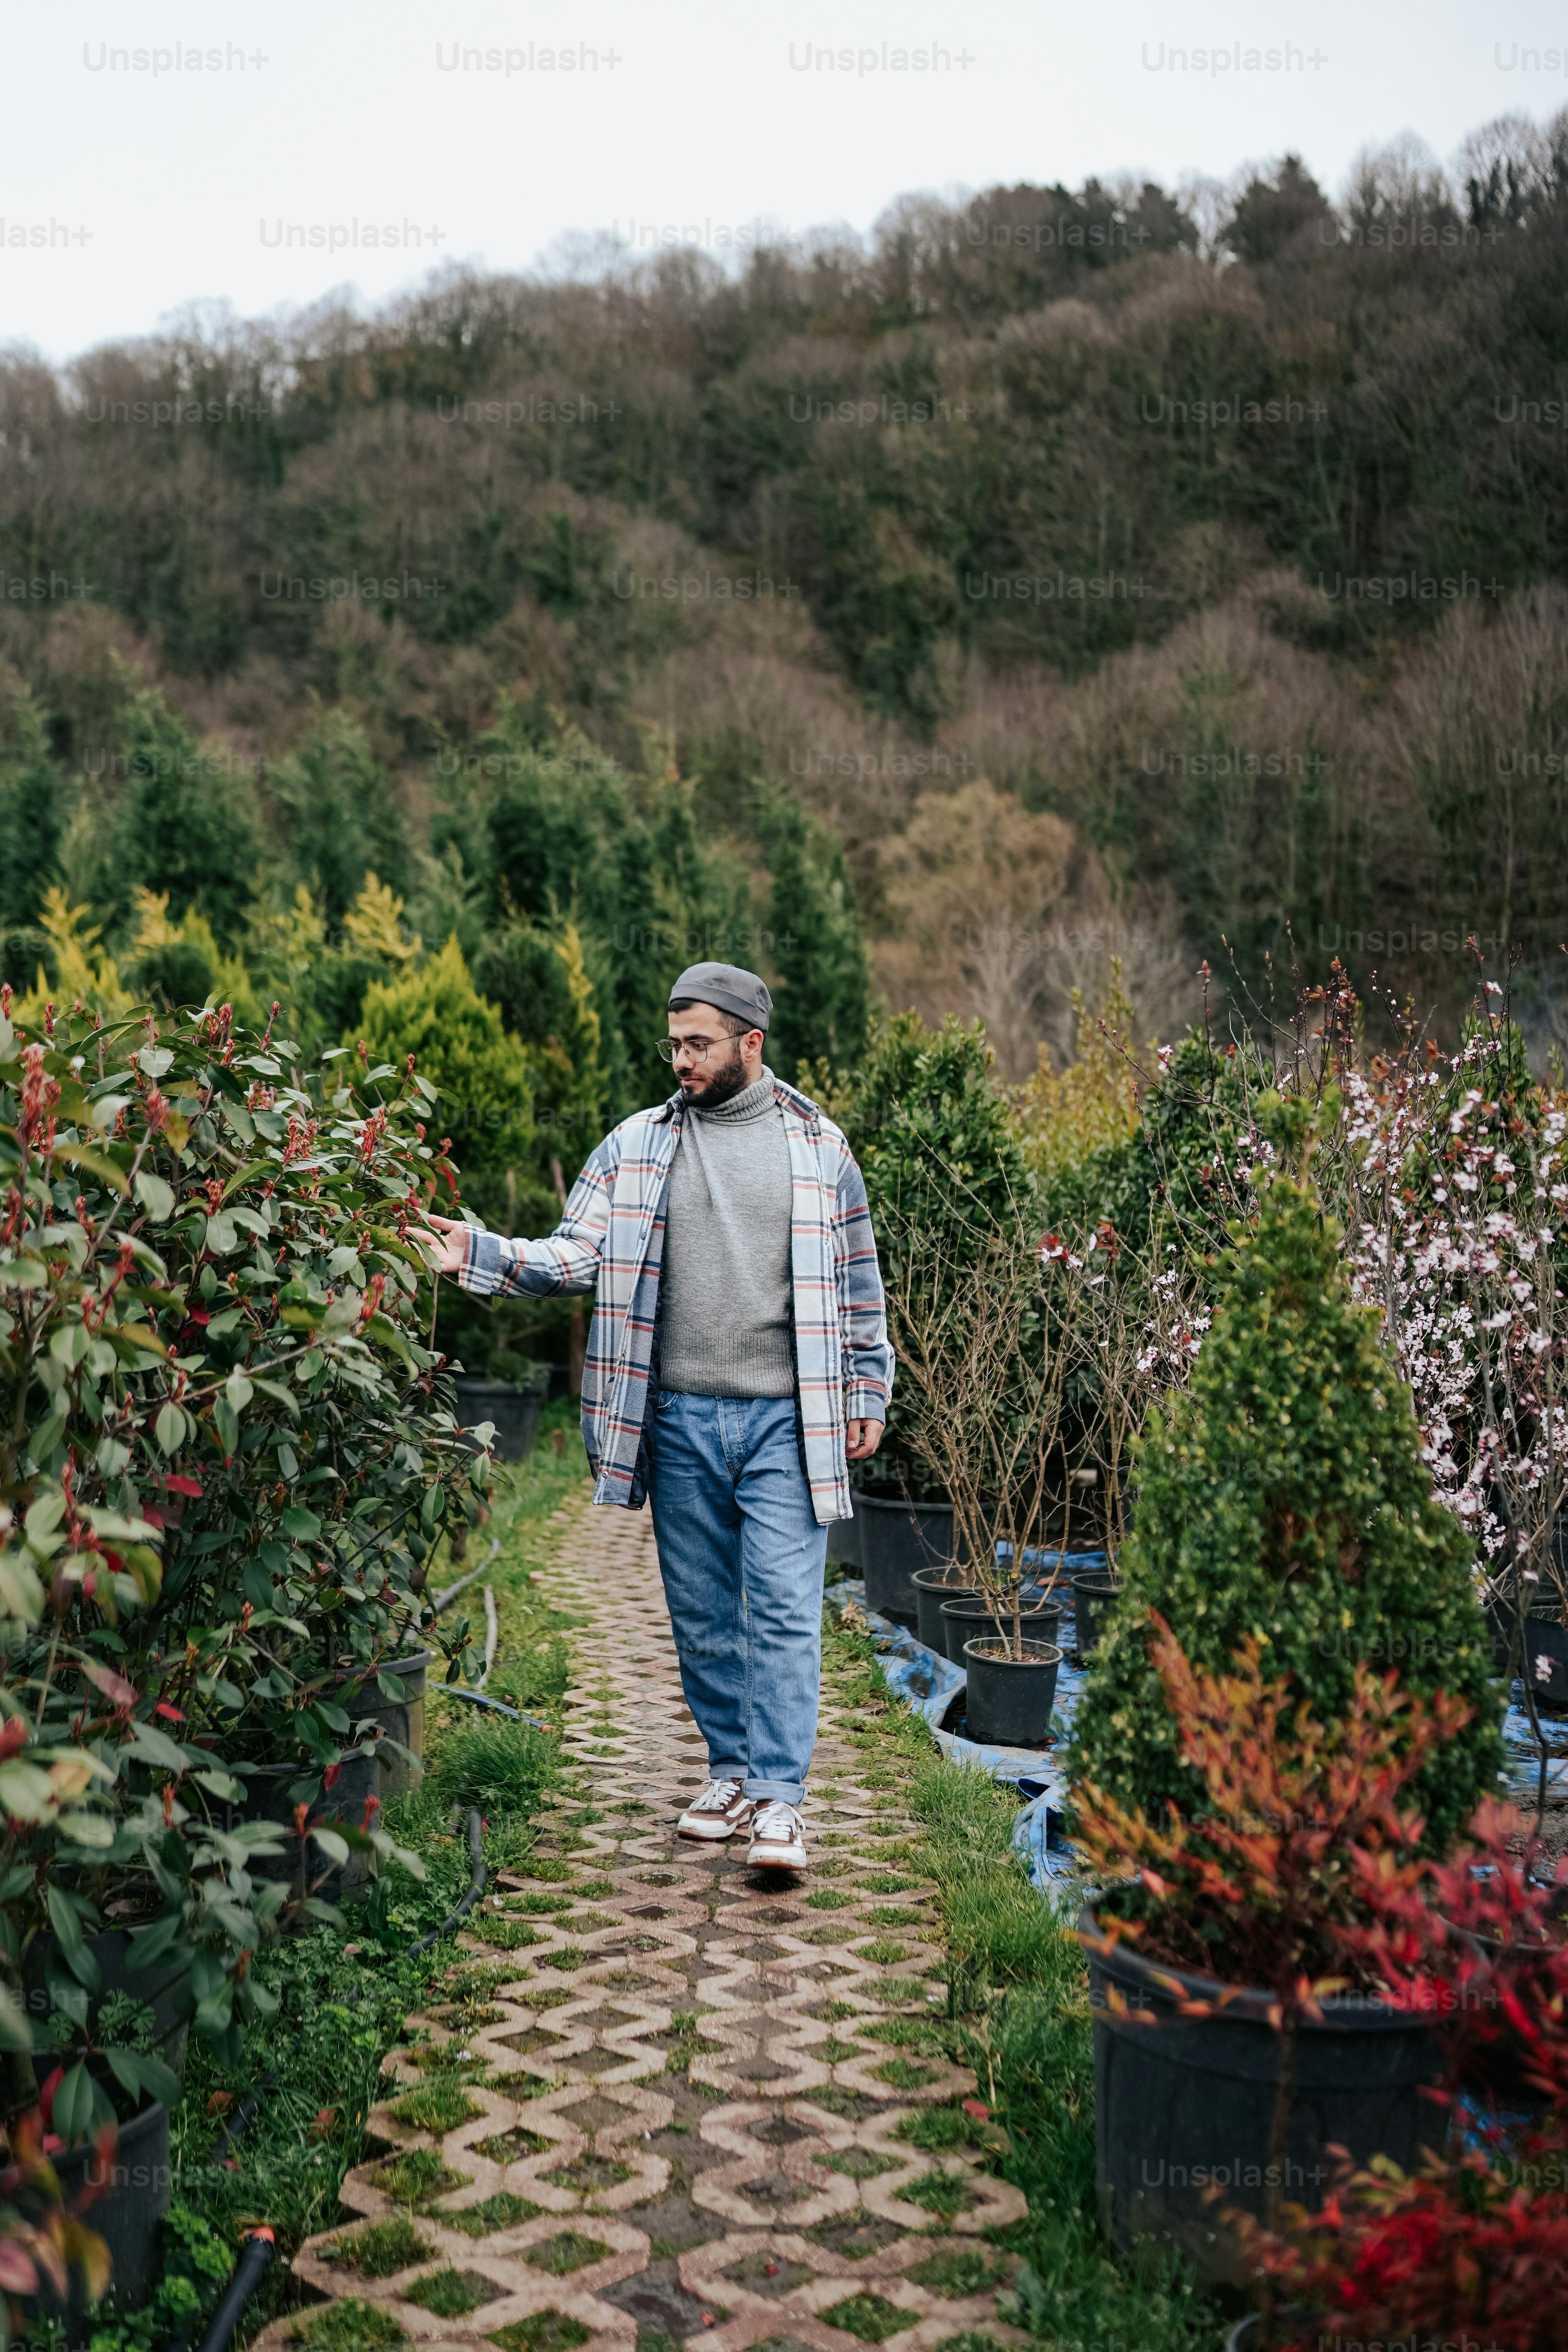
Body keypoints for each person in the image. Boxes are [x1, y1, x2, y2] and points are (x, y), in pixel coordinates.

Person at [420, 960, 892, 1872]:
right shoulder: (636, 1145)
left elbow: (859, 1283)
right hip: (676, 1419)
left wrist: (867, 1388)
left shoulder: (819, 1148)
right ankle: (730, 1770)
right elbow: (573, 1253)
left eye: (698, 1043)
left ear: (750, 1044)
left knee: (787, 1610)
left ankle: (782, 1802)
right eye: (673, 1042)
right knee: (704, 1611)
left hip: (785, 1423)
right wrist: (473, 1250)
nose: (679, 1058)